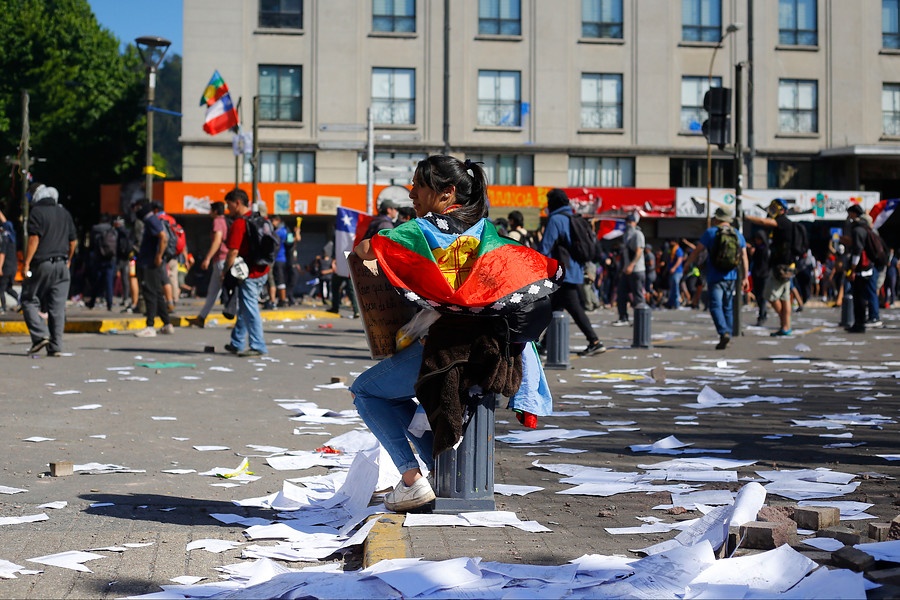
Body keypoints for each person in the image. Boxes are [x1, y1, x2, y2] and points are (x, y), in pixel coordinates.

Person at [351, 155, 559, 512]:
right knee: (399, 396)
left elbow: (367, 249)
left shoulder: (425, 227)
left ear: (446, 193)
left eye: (419, 184)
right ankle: (440, 462)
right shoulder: (485, 230)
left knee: (366, 392)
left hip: (448, 346)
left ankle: (412, 479)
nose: (411, 191)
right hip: (496, 349)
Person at [538, 188, 606, 356]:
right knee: (555, 308)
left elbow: (545, 247)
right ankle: (545, 344)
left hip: (562, 273)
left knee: (573, 308)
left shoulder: (556, 219)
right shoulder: (573, 218)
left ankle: (594, 341)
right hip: (573, 271)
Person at [20, 183, 77, 356]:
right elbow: (73, 241)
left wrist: (27, 263)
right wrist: (68, 261)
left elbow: (34, 240)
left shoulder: (37, 212)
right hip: (62, 265)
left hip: (42, 264)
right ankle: (56, 346)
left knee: (29, 300)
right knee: (57, 308)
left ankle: (39, 335)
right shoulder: (64, 213)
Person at [682, 207, 750, 349]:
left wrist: (688, 263)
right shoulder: (737, 234)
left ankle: (723, 332)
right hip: (732, 276)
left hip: (715, 275)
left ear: (718, 218)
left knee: (715, 306)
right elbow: (744, 256)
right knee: (728, 307)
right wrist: (745, 277)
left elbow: (697, 251)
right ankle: (729, 335)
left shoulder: (711, 232)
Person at [223, 188, 269, 357]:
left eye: (229, 205)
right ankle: (236, 342)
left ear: (237, 203)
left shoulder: (239, 223)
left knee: (250, 309)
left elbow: (233, 251)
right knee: (245, 307)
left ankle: (258, 345)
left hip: (247, 273)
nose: (228, 209)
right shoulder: (260, 219)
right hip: (262, 270)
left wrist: (225, 271)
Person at [744, 198, 794, 336]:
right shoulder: (785, 223)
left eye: (774, 209)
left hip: (780, 266)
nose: (771, 212)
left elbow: (764, 222)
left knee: (769, 295)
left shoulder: (783, 221)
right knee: (784, 297)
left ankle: (784, 322)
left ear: (781, 210)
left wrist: (747, 217)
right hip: (785, 265)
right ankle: (786, 326)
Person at [134, 199, 173, 337]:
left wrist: (158, 256)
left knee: (149, 293)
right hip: (151, 262)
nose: (135, 210)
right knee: (157, 293)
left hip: (149, 263)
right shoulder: (153, 220)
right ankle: (167, 323)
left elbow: (163, 237)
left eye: (137, 207)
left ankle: (150, 326)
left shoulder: (151, 220)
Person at [189, 201, 228, 328]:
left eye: (211, 210)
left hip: (221, 259)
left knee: (227, 290)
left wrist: (207, 258)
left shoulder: (217, 221)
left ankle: (240, 320)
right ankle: (202, 317)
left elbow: (217, 240)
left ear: (215, 211)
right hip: (222, 259)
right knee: (213, 291)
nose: (209, 213)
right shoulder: (225, 221)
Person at [844, 204, 877, 333]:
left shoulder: (858, 229)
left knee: (860, 297)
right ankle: (860, 322)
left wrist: (852, 269)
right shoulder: (865, 228)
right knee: (863, 296)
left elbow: (857, 250)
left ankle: (859, 324)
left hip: (861, 269)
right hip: (867, 267)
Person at [612, 211, 647, 326]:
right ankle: (623, 317)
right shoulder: (627, 235)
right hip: (627, 270)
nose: (628, 224)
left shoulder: (637, 234)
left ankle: (640, 319)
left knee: (637, 296)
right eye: (627, 221)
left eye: (630, 221)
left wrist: (631, 265)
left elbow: (639, 251)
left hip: (636, 270)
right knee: (621, 294)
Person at [86, 214, 117, 311]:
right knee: (109, 282)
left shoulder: (95, 229)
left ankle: (92, 302)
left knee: (96, 281)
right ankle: (109, 303)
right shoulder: (112, 229)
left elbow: (91, 245)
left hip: (98, 259)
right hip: (110, 258)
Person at [0, 205, 19, 313]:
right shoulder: (12, 238)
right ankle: (20, 300)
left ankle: (3, 308)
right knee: (8, 288)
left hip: (6, 267)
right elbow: (5, 222)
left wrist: (0, 267)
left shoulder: (5, 238)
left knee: (1, 289)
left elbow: (2, 254)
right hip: (13, 267)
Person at [749, 229, 770, 326]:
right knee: (759, 296)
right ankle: (762, 314)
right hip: (757, 275)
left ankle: (762, 315)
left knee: (761, 297)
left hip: (763, 275)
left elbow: (764, 262)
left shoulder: (764, 249)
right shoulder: (758, 248)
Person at [271, 215, 290, 307]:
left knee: (280, 280)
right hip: (279, 259)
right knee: (277, 280)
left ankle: (283, 300)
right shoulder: (282, 231)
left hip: (279, 259)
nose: (272, 222)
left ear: (278, 220)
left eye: (273, 220)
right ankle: (280, 299)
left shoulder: (281, 231)